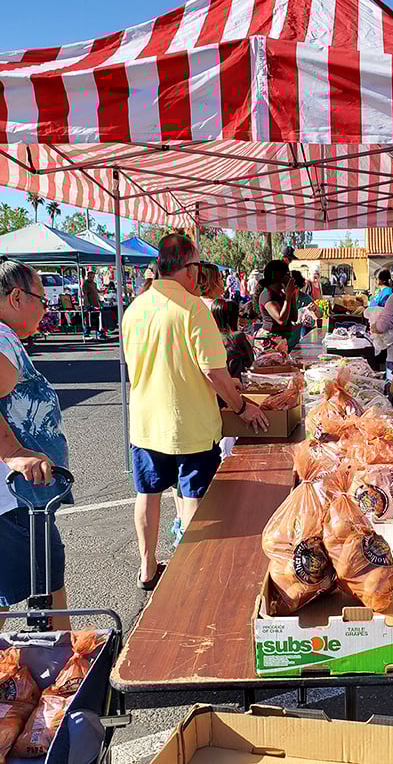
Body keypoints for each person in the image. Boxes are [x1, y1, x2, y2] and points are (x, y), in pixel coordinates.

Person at [122, 234, 268, 590]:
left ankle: (147, 568)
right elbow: (214, 372)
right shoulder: (193, 309)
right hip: (189, 424)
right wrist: (241, 406)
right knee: (192, 500)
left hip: (145, 422)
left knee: (149, 494)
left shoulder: (135, 308)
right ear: (187, 268)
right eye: (198, 266)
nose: (199, 273)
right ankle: (191, 575)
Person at [0, 258, 71, 630]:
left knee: (42, 585)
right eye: (41, 300)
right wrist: (13, 451)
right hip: (16, 502)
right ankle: (66, 673)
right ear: (15, 297)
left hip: (23, 499)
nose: (46, 309)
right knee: (44, 588)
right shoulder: (3, 337)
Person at [255, 260, 299, 352]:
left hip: (280, 341)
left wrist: (292, 296)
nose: (290, 277)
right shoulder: (267, 295)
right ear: (280, 276)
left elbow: (294, 318)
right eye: (288, 274)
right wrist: (288, 297)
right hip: (269, 342)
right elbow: (281, 320)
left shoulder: (281, 294)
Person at [210, 297, 255, 378]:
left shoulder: (209, 336)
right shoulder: (237, 336)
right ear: (233, 317)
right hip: (236, 382)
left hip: (217, 383)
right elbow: (249, 361)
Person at [82, 270, 106, 340]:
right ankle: (86, 334)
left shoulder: (94, 284)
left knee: (98, 319)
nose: (91, 278)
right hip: (89, 304)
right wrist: (87, 304)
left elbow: (97, 291)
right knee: (88, 319)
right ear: (88, 276)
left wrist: (102, 290)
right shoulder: (85, 284)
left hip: (96, 304)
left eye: (93, 277)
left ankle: (100, 334)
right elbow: (85, 294)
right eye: (90, 277)